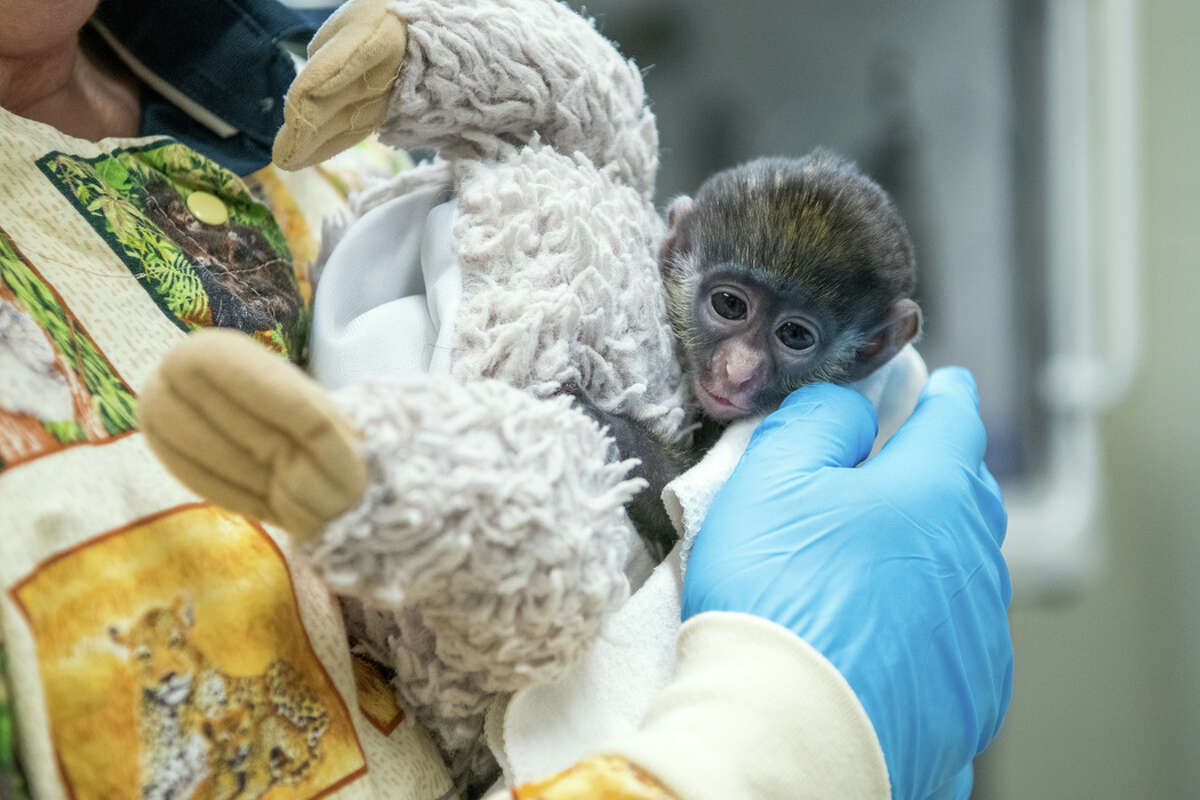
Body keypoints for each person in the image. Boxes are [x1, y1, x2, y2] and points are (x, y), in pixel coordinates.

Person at [0, 1, 1011, 799]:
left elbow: (566, 103)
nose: (741, 369)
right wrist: (777, 740)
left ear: (878, 344)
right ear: (683, 242)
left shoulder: (292, 66)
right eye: (730, 311)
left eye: (789, 340)